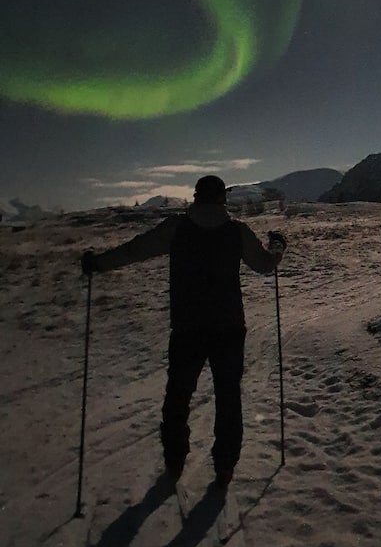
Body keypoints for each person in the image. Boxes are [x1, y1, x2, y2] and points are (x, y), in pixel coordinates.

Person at [81, 175, 287, 488]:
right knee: (228, 399)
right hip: (229, 329)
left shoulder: (176, 228)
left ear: (195, 197)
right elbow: (264, 265)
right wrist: (277, 246)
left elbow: (134, 250)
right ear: (221, 200)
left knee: (177, 397)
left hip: (187, 328)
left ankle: (175, 461)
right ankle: (225, 467)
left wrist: (96, 264)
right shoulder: (237, 232)